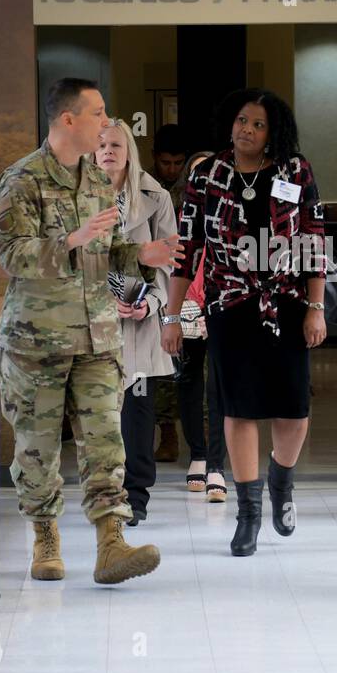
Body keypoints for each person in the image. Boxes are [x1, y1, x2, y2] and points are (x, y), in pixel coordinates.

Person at [0, 77, 183, 583]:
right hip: (38, 342)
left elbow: (109, 250)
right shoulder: (22, 180)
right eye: (98, 113)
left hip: (99, 337)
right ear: (68, 120)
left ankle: (110, 544)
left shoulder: (98, 181)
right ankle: (45, 540)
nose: (106, 121)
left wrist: (142, 253)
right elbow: (12, 257)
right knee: (37, 446)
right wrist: (72, 240)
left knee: (105, 439)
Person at [161, 89, 327, 556]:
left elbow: (313, 238)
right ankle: (249, 512)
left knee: (294, 409)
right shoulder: (208, 175)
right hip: (229, 306)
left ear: (273, 131)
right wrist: (172, 316)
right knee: (239, 408)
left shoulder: (295, 170)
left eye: (257, 124)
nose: (246, 131)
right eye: (241, 121)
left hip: (289, 303)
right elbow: (186, 251)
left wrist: (316, 307)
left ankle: (282, 480)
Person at [93, 119, 177, 526]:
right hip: (95, 318)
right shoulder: (79, 196)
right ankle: (104, 492)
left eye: (116, 145)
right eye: (101, 144)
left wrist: (153, 304)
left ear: (129, 151)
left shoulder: (155, 196)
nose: (108, 151)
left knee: (137, 409)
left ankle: (137, 495)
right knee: (99, 410)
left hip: (141, 319)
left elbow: (169, 260)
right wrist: (106, 294)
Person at [173, 151, 228, 500]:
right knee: (189, 379)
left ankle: (218, 465)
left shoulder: (233, 212)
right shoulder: (176, 213)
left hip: (226, 300)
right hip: (189, 301)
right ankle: (197, 454)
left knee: (221, 385)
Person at [149, 123, 190, 465]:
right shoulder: (143, 188)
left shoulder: (193, 188)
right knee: (160, 366)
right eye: (166, 162)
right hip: (153, 281)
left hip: (189, 283)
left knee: (191, 364)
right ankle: (166, 434)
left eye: (178, 162)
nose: (172, 169)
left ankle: (202, 445)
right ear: (155, 160)